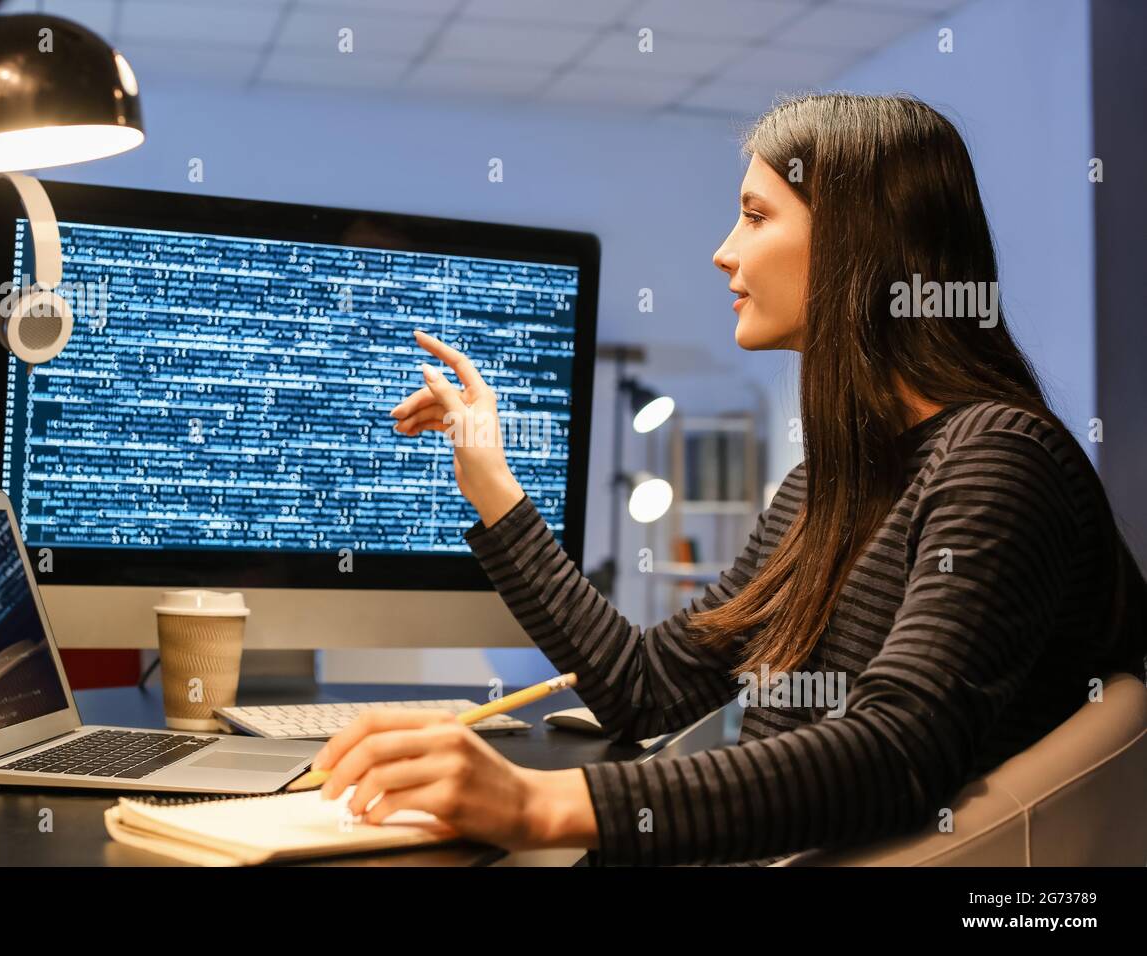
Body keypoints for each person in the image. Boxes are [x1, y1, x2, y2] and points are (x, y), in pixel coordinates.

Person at [307, 92, 1147, 866]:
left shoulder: (1000, 461)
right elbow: (649, 687)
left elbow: (898, 751)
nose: (722, 252)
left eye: (754, 216)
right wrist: (490, 480)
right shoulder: (832, 487)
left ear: (859, 243)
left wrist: (536, 803)